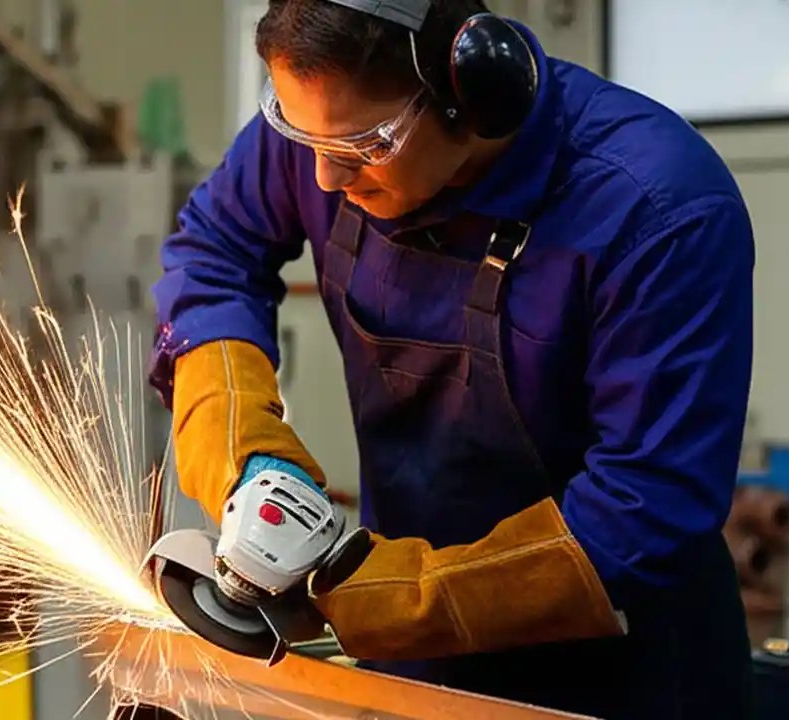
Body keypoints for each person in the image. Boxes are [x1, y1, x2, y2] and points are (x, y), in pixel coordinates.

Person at [147, 1, 756, 718]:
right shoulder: (327, 122)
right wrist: (240, 446)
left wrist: (405, 598)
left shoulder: (656, 207)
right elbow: (215, 253)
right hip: (410, 666)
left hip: (622, 673)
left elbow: (648, 504)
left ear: (473, 93)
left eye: (364, 149)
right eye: (294, 132)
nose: (322, 179)